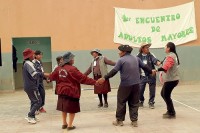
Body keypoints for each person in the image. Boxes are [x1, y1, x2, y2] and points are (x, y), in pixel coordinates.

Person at [98, 44, 156, 127]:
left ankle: (119, 120)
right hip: (136, 84)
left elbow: (114, 71)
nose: (119, 53)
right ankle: (134, 121)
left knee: (121, 102)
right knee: (134, 102)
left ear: (124, 52)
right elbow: (145, 67)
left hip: (125, 85)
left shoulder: (121, 60)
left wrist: (104, 78)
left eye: (120, 51)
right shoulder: (137, 59)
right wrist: (151, 71)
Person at [47, 52, 99, 130]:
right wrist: (95, 82)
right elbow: (83, 79)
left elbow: (51, 77)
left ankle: (64, 123)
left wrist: (46, 77)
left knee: (63, 108)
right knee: (71, 109)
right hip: (71, 91)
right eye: (72, 58)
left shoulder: (58, 68)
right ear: (69, 60)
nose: (73, 60)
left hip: (61, 91)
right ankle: (70, 126)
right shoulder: (72, 69)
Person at [156, 42, 180, 118]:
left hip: (171, 80)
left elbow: (165, 67)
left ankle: (171, 112)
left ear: (168, 48)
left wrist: (156, 70)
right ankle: (170, 110)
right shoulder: (171, 55)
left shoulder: (171, 56)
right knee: (164, 94)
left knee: (165, 95)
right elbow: (163, 63)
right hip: (171, 80)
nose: (164, 47)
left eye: (165, 46)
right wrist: (158, 62)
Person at [22, 48, 44, 124]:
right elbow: (35, 74)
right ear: (30, 55)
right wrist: (45, 75)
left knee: (34, 101)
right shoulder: (28, 63)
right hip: (31, 86)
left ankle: (32, 116)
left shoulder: (28, 63)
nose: (34, 55)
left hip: (30, 85)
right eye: (33, 54)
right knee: (38, 101)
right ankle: (30, 115)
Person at [137, 43, 161, 109]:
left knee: (152, 90)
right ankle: (141, 100)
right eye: (146, 47)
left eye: (148, 47)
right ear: (142, 49)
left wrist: (157, 62)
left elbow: (154, 60)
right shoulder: (138, 56)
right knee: (140, 90)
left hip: (151, 75)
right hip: (142, 76)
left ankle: (151, 102)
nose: (148, 49)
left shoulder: (151, 55)